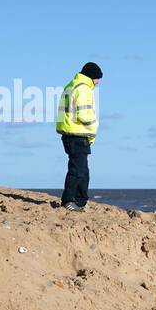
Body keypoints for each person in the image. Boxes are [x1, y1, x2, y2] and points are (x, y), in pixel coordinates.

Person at [56, 62, 103, 211]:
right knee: (77, 171)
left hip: (70, 133)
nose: (98, 82)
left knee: (82, 170)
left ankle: (79, 201)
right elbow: (84, 115)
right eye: (97, 79)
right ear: (92, 77)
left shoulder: (71, 85)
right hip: (77, 134)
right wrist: (94, 127)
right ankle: (69, 200)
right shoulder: (84, 89)